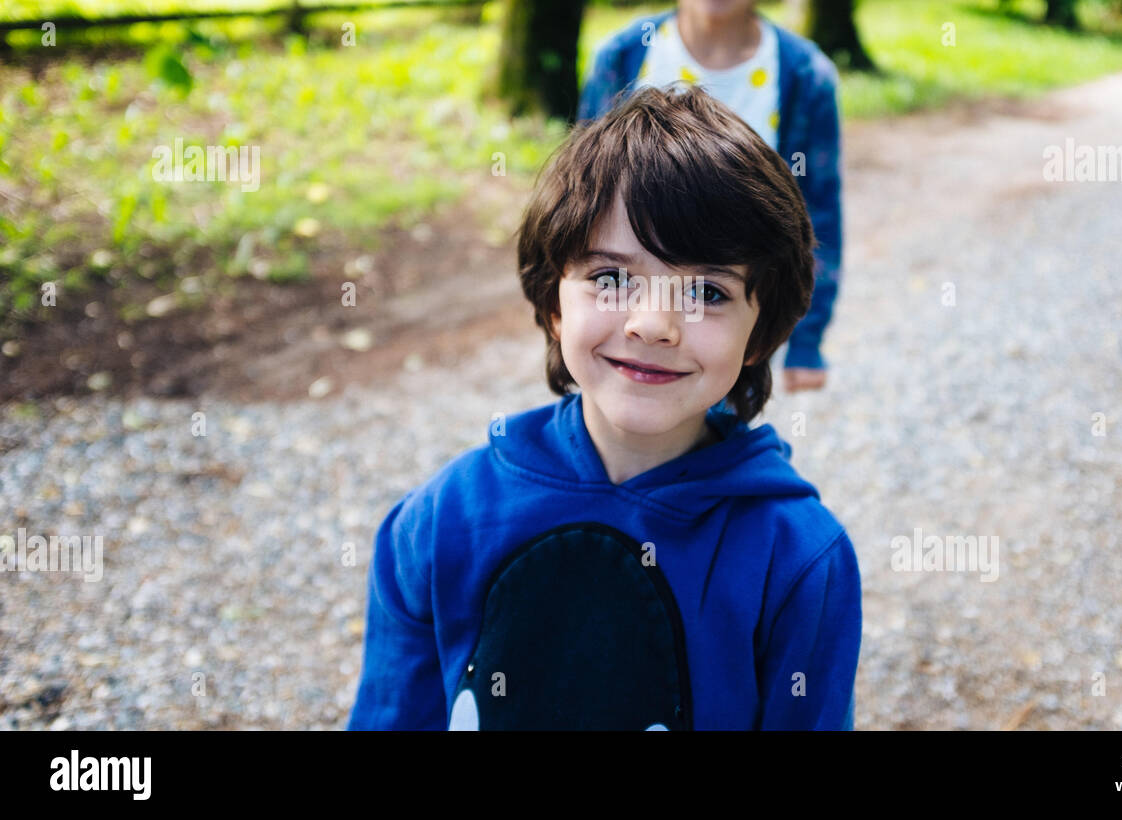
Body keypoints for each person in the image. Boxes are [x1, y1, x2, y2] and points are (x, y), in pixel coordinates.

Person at [347, 86, 861, 730]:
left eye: (706, 290)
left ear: (759, 335)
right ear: (555, 304)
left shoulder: (799, 559)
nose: (653, 325)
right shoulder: (441, 521)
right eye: (611, 278)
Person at [578, 0, 844, 394]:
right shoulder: (623, 57)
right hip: (628, 320)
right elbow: (579, 203)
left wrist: (807, 339)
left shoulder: (804, 76)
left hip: (731, 328)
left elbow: (819, 218)